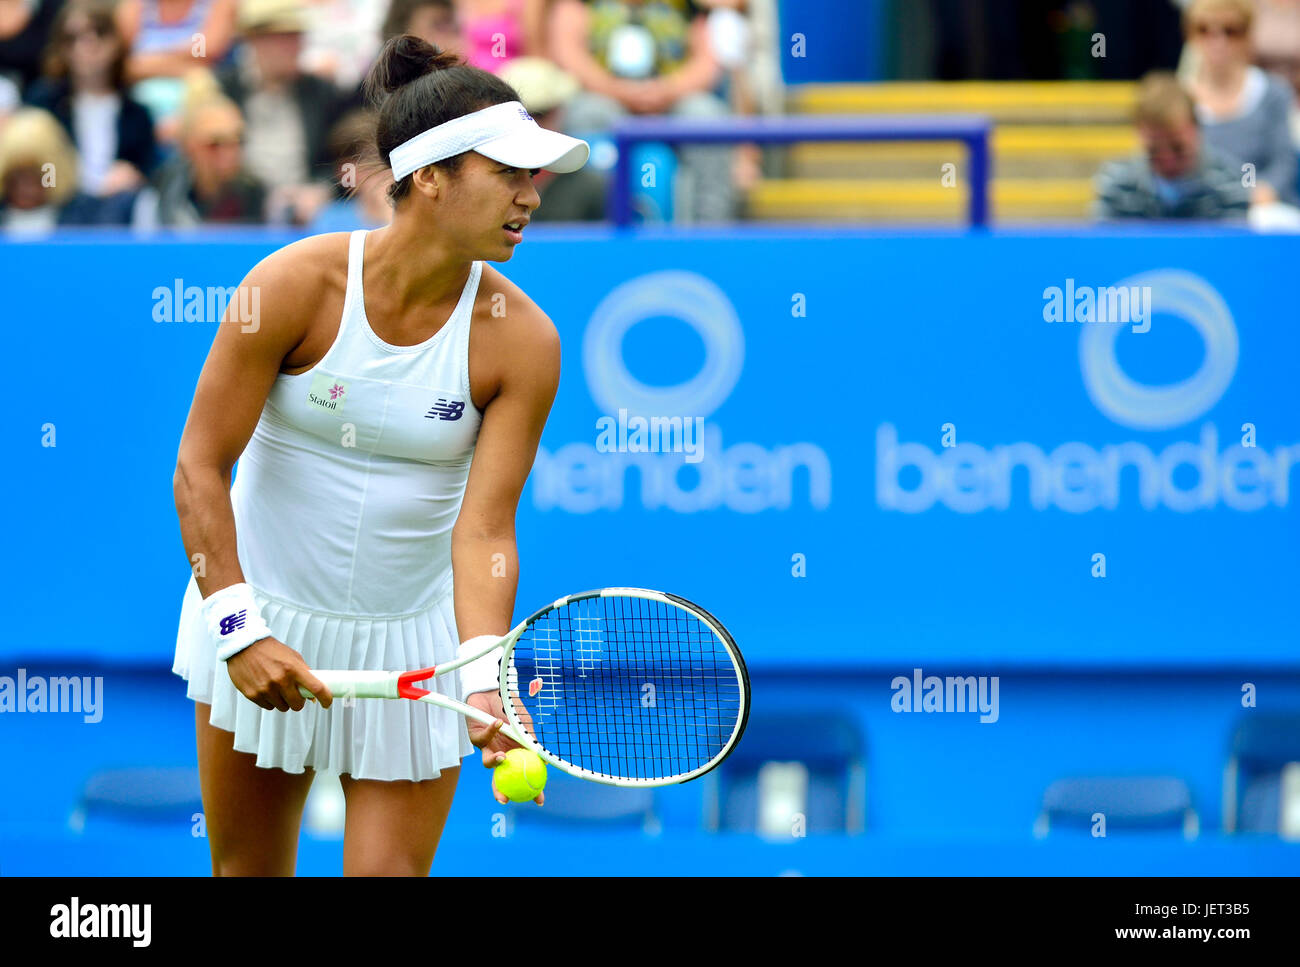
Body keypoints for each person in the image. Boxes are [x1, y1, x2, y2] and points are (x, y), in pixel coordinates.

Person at [170, 34, 588, 875]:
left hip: (418, 650)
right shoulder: (291, 285)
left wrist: (483, 677)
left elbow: (485, 530)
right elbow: (199, 469)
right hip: (264, 614)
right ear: (430, 176)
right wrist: (238, 628)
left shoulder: (524, 341)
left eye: (534, 175)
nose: (531, 195)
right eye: (508, 172)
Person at [549, 0, 735, 222]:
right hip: (606, 100)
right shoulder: (580, 5)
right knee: (586, 114)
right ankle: (598, 223)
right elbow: (569, 57)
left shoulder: (689, 6)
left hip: (673, 101)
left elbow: (707, 62)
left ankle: (710, 228)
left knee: (706, 116)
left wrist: (667, 91)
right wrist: (620, 91)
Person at [214, 0, 349, 224]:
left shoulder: (321, 93)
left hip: (308, 216)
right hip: (242, 215)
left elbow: (344, 160)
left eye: (297, 37)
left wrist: (321, 190)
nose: (295, 47)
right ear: (255, 41)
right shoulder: (225, 90)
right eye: (283, 38)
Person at [26, 0, 159, 199]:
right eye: (72, 38)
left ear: (116, 41)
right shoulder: (43, 104)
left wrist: (133, 175)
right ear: (61, 47)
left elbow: (152, 172)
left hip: (117, 206)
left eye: (98, 32)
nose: (86, 44)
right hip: (57, 206)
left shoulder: (137, 113)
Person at [1181, 0, 1298, 205]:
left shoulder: (1274, 94)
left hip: (1261, 209)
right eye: (1204, 30)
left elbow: (1284, 161)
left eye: (1230, 31)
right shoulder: (1179, 98)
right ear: (1190, 36)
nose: (1217, 41)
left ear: (1248, 36)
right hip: (1199, 210)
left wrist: (1265, 191)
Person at [1093, 71, 1250, 220]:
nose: (1167, 159)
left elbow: (1233, 239)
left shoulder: (1229, 182)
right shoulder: (1117, 183)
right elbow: (1103, 237)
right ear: (1139, 133)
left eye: (1178, 147)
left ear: (1196, 129)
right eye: (1153, 150)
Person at [132, 82, 267, 225]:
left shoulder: (257, 196)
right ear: (188, 147)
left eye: (238, 141)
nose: (229, 152)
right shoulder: (160, 194)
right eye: (214, 144)